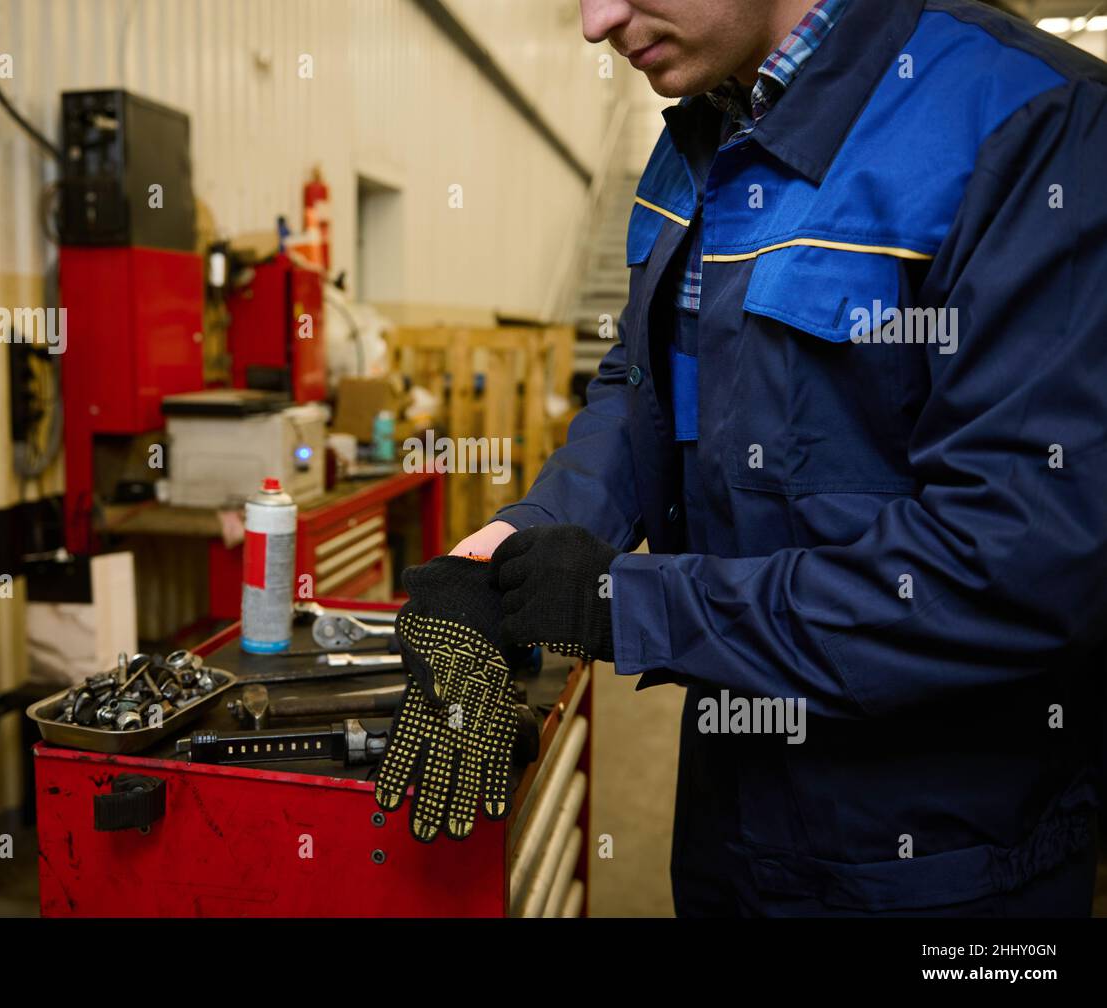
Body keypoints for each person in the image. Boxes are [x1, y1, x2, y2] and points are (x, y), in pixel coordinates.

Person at [453, 0, 1107, 916]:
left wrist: (635, 603)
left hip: (941, 870)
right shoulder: (699, 136)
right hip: (730, 823)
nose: (596, 22)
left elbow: (1017, 567)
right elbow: (641, 384)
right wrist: (528, 537)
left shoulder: (1034, 123)